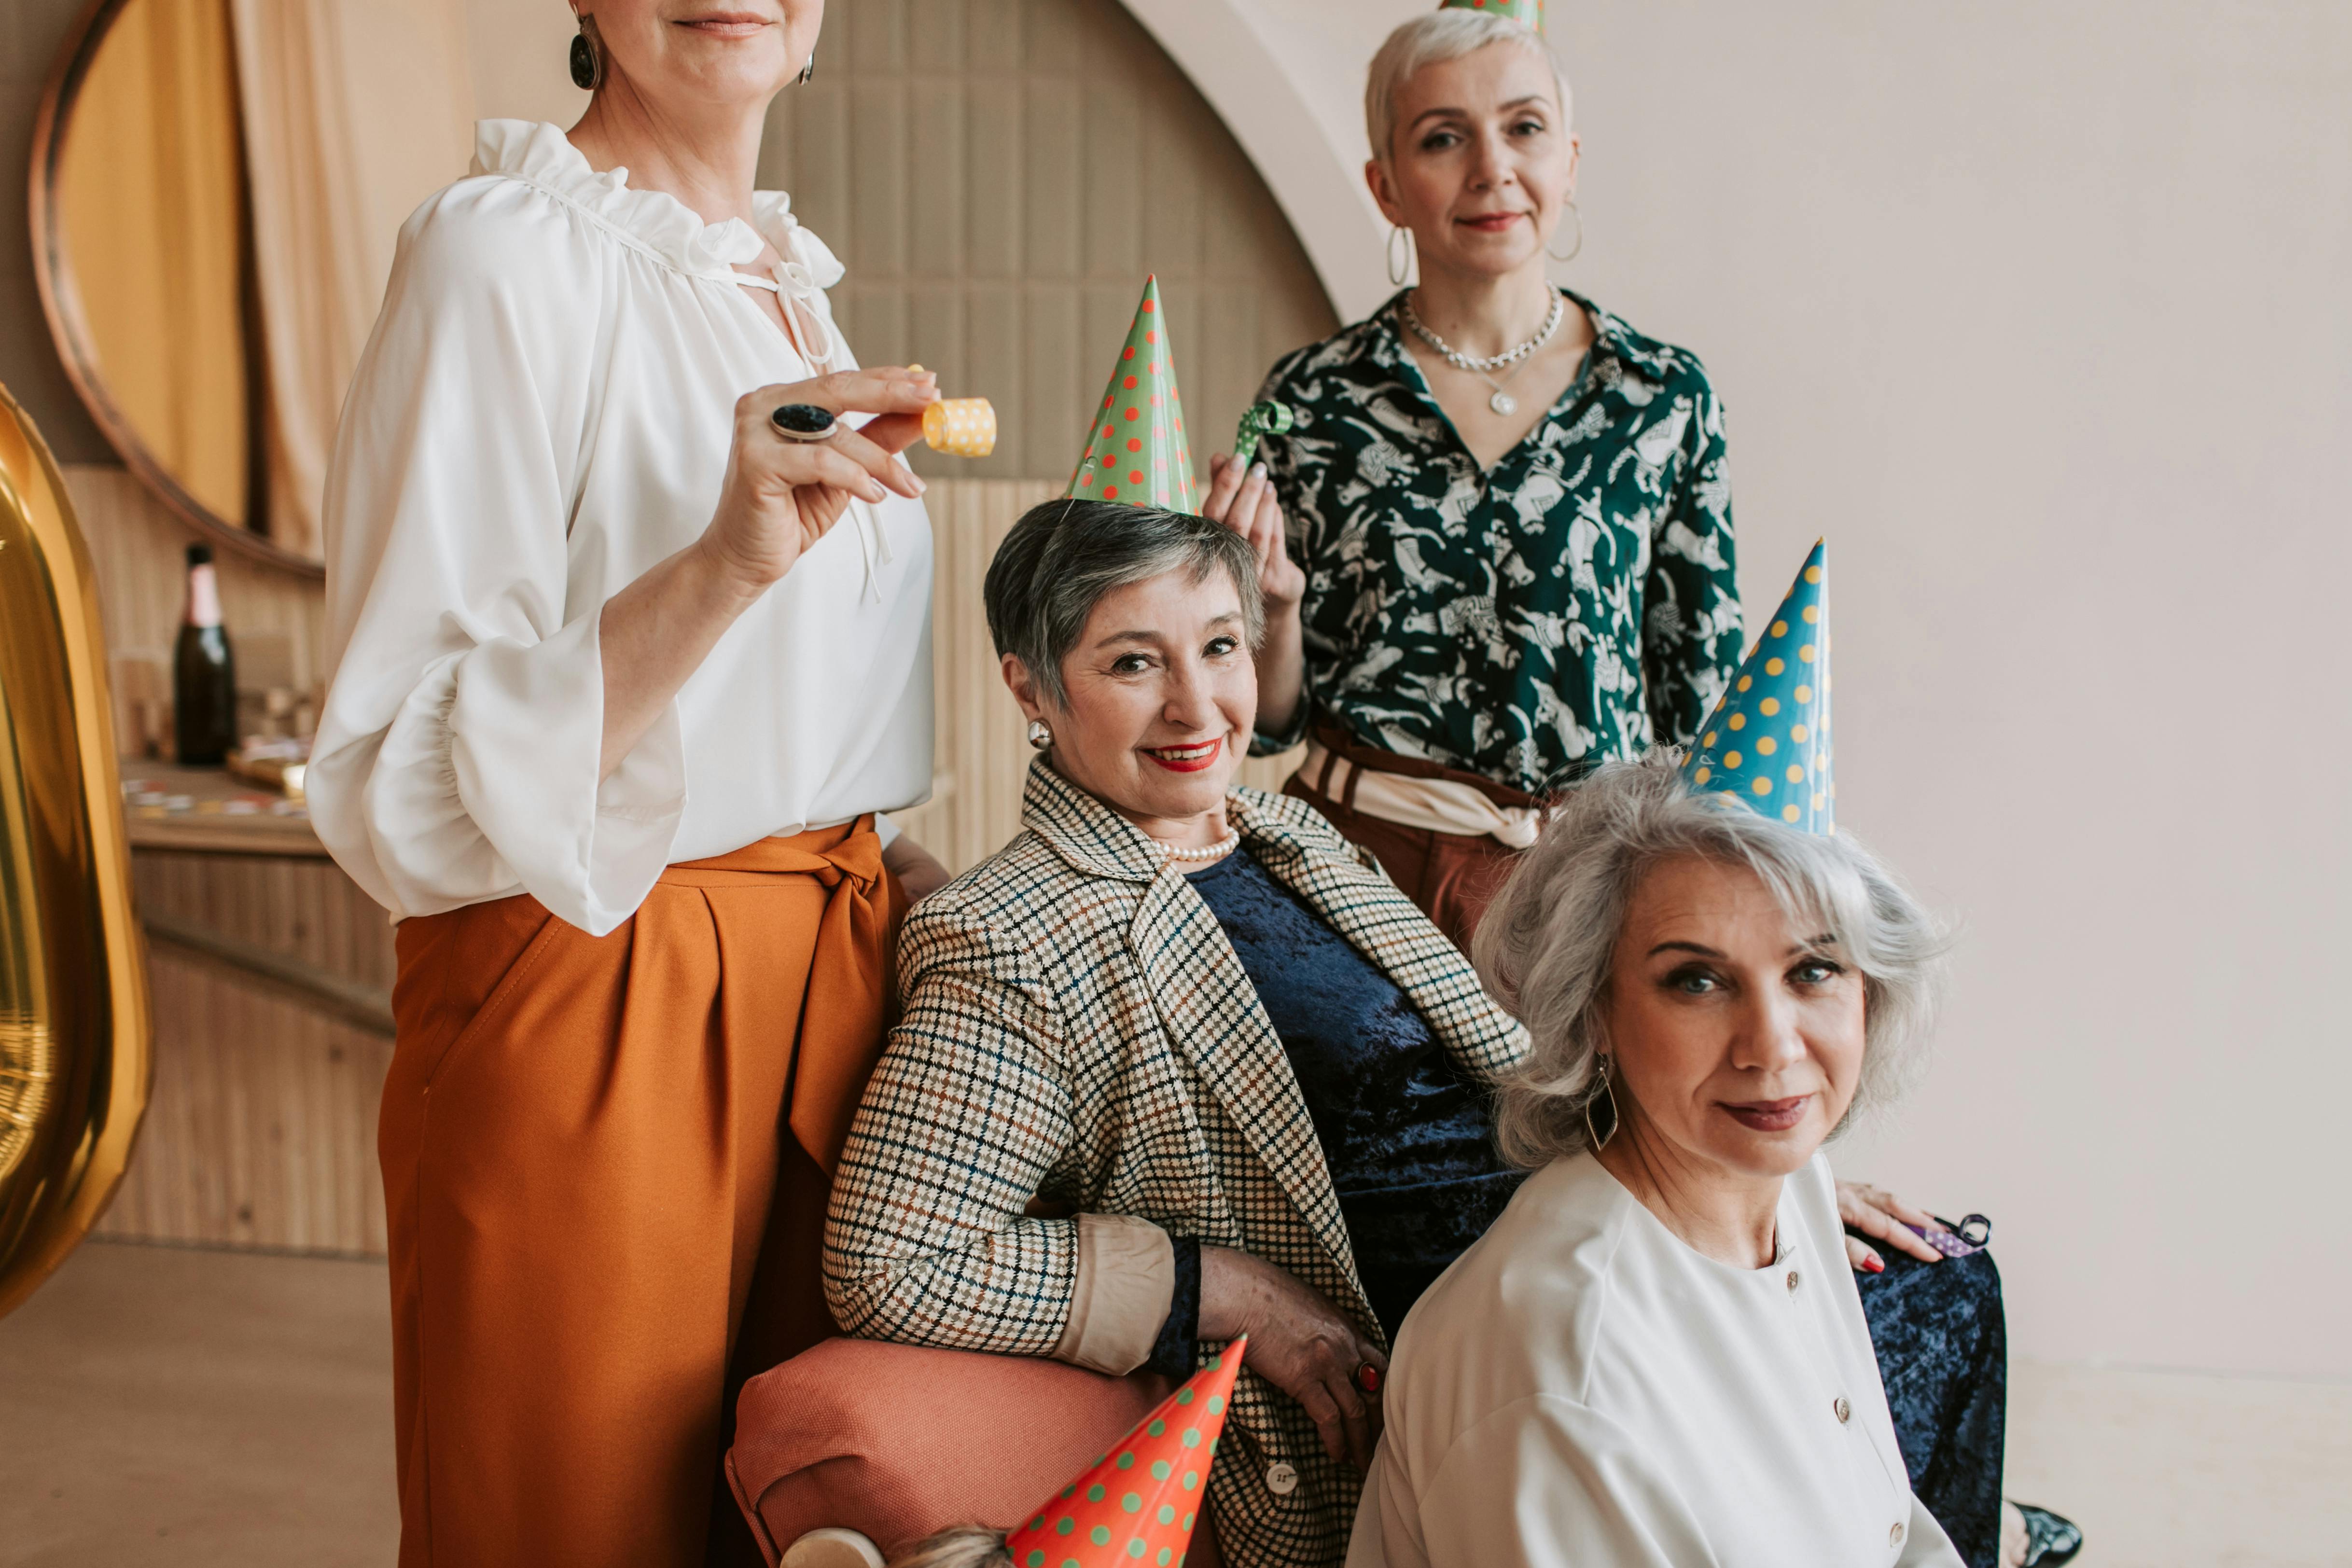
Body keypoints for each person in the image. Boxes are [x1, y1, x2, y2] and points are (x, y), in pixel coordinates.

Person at [307, 2, 951, 1562]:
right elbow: (400, 768)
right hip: (601, 987)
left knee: (786, 1529)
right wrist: (722, 566)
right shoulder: (500, 252)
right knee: (575, 1528)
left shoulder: (788, 286)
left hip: (841, 978)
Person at [822, 497, 1532, 1568]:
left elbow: (1492, 1061)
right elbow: (891, 1261)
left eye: (1218, 647)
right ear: (1031, 686)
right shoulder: (1012, 933)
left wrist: (1695, 1157)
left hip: (1560, 1274)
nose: (1196, 705)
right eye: (1132, 664)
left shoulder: (1291, 830)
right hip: (1437, 1405)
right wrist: (1223, 1287)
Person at [1349, 548, 1971, 1566]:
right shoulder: (1556, 1371)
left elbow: (1889, 1533)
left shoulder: (1784, 1186)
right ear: (1591, 1006)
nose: (1772, 1047)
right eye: (1696, 979)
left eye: (1813, 969)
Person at [1206, 5, 1740, 953]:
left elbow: (1699, 706)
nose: (1491, 167)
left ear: (1568, 159)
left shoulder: (1661, 395)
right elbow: (1270, 723)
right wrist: (1274, 611)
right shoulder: (1310, 398)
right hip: (1352, 871)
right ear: (1385, 186)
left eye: (1523, 127)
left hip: (1588, 886)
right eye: (1442, 138)